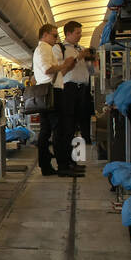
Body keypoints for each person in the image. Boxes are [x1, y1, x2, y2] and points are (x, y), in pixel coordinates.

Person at [31, 24, 83, 177]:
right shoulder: (44, 48)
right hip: (52, 92)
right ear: (45, 35)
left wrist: (64, 67)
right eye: (54, 36)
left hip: (46, 92)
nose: (56, 39)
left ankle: (46, 166)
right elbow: (48, 69)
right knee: (58, 130)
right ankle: (62, 165)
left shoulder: (41, 49)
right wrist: (63, 65)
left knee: (46, 131)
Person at [62, 21, 94, 147]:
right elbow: (64, 68)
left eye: (80, 33)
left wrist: (91, 60)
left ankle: (86, 144)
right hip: (70, 87)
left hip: (83, 87)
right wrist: (79, 57)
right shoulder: (62, 49)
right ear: (68, 34)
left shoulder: (81, 48)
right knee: (70, 120)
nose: (80, 35)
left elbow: (90, 70)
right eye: (77, 33)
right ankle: (69, 147)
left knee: (85, 117)